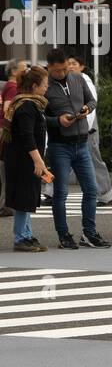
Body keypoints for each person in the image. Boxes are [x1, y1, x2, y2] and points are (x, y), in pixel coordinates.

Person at [46, 48, 110, 249]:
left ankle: (89, 233)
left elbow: (91, 100)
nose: (62, 73)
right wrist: (57, 120)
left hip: (82, 142)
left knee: (91, 190)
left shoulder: (78, 79)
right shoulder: (44, 84)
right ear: (49, 68)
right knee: (61, 193)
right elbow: (38, 117)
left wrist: (86, 109)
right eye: (57, 70)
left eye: (65, 68)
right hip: (59, 146)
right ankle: (64, 234)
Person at [4, 66, 50, 251]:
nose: (46, 87)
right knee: (23, 199)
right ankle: (21, 237)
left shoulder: (31, 104)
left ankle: (27, 234)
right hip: (23, 160)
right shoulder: (27, 106)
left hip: (25, 159)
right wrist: (38, 161)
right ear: (34, 86)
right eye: (45, 84)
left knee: (28, 197)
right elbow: (27, 136)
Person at [66, 55, 112, 207]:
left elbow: (92, 106)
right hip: (71, 128)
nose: (70, 66)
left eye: (74, 63)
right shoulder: (67, 82)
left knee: (94, 160)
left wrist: (83, 129)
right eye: (68, 64)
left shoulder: (85, 81)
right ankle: (51, 191)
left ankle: (106, 194)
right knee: (63, 160)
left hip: (87, 129)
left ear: (81, 67)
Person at [0, 59, 27, 217]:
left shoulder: (9, 86)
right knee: (6, 170)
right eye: (24, 69)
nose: (26, 71)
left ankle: (6, 204)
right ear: (15, 71)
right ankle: (6, 205)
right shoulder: (13, 87)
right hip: (5, 130)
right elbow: (7, 108)